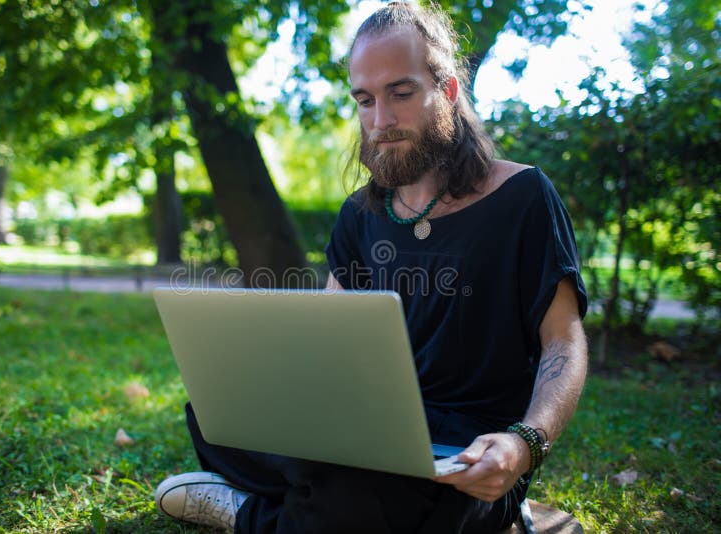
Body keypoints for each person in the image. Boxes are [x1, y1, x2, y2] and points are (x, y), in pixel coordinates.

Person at [154, 2, 588, 533]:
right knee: (214, 417)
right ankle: (315, 496)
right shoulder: (360, 215)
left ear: (447, 91)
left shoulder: (523, 197)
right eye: (365, 99)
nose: (380, 120)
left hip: (471, 454)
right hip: (370, 439)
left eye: (400, 93)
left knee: (366, 500)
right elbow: (331, 350)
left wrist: (525, 444)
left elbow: (565, 343)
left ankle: (250, 514)